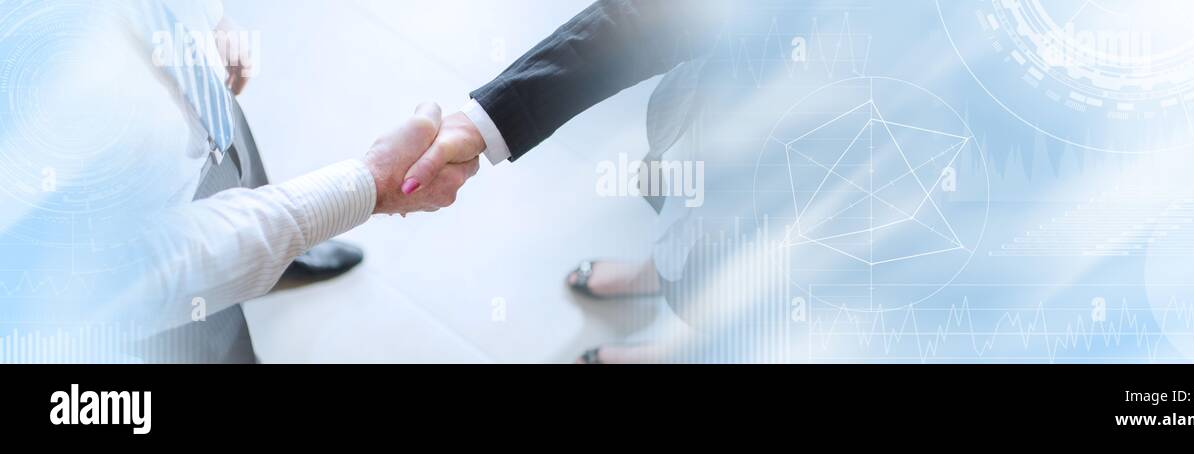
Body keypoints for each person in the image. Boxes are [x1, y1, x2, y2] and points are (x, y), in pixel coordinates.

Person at [0, 0, 475, 362]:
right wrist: (364, 188)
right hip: (151, 298)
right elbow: (135, 270)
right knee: (215, 343)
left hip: (200, 100)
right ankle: (273, 250)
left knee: (241, 171)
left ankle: (284, 258)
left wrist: (206, 16)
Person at [396, 0, 740, 363]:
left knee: (748, 285)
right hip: (725, 118)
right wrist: (482, 122)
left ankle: (686, 349)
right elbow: (668, 13)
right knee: (686, 216)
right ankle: (658, 270)